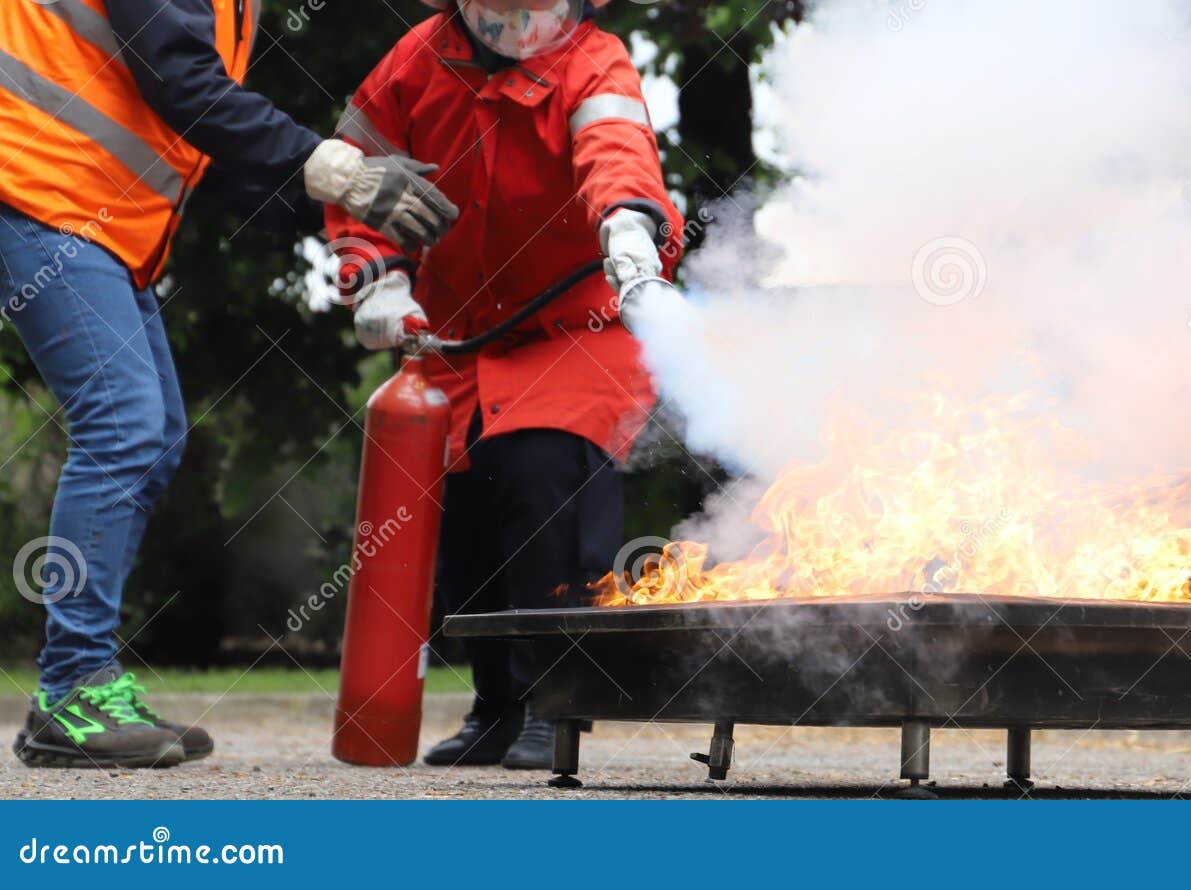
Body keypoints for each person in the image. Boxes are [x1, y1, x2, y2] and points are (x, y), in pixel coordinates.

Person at [3, 0, 458, 769]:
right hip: (34, 182)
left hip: (86, 208)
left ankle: (83, 683)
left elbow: (206, 144)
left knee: (151, 436)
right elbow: (183, 83)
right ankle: (72, 689)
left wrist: (339, 204)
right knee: (123, 426)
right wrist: (342, 173)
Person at [325, 0, 683, 769]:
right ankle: (496, 705)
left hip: (577, 329)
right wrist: (376, 276)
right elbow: (358, 173)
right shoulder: (416, 61)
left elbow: (616, 152)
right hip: (461, 337)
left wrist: (628, 225)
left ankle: (554, 706)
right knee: (466, 516)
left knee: (543, 475)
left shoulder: (594, 60)